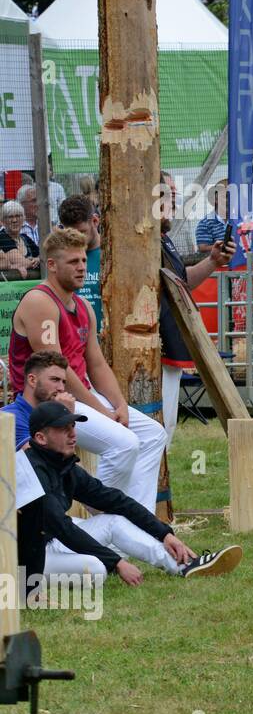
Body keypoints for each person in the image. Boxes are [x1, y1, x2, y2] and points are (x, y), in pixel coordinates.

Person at [8, 228, 169, 509]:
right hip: (48, 402)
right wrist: (101, 409)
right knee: (125, 444)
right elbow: (56, 370)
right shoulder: (39, 301)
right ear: (52, 265)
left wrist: (118, 403)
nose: (82, 267)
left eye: (83, 260)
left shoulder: (83, 305)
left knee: (153, 434)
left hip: (79, 396)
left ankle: (138, 519)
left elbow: (96, 362)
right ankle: (107, 515)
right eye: (73, 262)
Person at [17, 401, 243, 585]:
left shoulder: (64, 465)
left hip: (50, 540)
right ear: (40, 438)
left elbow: (117, 501)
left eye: (73, 426)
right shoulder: (32, 471)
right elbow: (63, 529)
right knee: (96, 570)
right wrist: (116, 562)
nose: (72, 434)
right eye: (63, 428)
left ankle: (186, 565)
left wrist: (164, 534)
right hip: (24, 559)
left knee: (113, 521)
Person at [159, 204, 233, 442]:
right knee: (155, 427)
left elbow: (182, 282)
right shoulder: (140, 242)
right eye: (166, 200)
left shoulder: (163, 239)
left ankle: (160, 479)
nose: (172, 208)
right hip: (151, 348)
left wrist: (213, 261)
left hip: (169, 344)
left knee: (166, 425)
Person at [3, 350, 76, 448]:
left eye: (63, 382)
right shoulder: (11, 416)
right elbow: (37, 459)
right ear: (32, 380)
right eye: (55, 379)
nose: (61, 388)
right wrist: (63, 417)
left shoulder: (48, 413)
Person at [55, 195, 103, 322]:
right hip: (73, 338)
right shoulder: (60, 258)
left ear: (95, 221)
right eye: (71, 233)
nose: (77, 239)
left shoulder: (112, 254)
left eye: (82, 232)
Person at [0, 199, 40, 277]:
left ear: (23, 218)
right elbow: (23, 263)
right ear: (3, 221)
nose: (14, 220)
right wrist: (35, 261)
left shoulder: (25, 238)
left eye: (18, 216)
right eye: (10, 217)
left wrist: (38, 259)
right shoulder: (2, 237)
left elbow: (44, 256)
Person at [194, 180, 230, 257]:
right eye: (226, 196)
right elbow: (202, 248)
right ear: (216, 199)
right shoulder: (205, 224)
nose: (229, 200)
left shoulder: (241, 221)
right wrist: (225, 246)